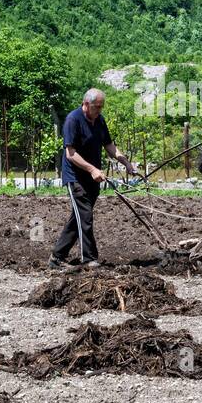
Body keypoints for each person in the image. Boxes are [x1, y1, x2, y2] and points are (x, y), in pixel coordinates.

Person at [49, 88, 138, 270]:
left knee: (78, 219)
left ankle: (57, 257)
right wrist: (92, 169)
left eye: (101, 107)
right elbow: (70, 154)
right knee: (85, 217)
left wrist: (126, 163)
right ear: (86, 104)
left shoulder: (99, 120)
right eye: (97, 107)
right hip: (76, 178)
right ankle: (89, 259)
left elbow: (109, 146)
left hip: (93, 179)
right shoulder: (73, 120)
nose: (100, 110)